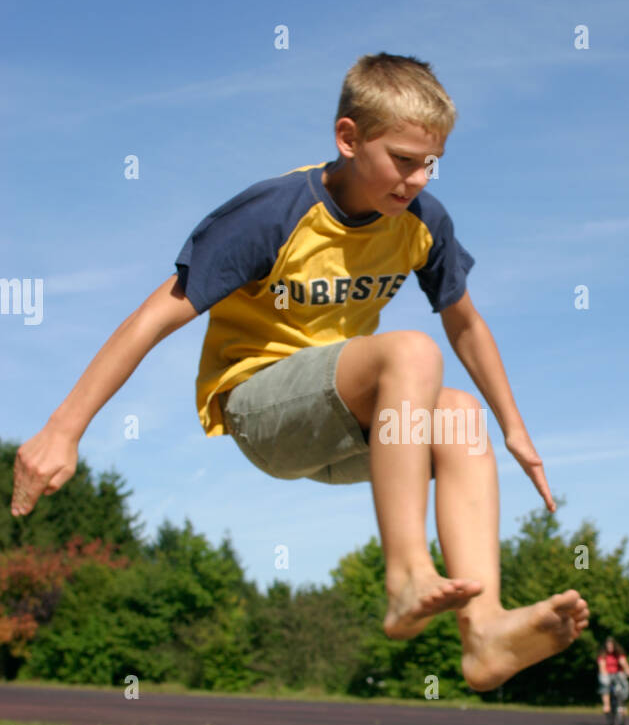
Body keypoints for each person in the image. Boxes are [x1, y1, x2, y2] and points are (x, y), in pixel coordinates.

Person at [10, 53, 590, 692]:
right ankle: (405, 578)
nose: (417, 179)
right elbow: (154, 317)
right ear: (348, 138)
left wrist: (514, 429)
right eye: (402, 159)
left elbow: (467, 324)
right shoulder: (274, 214)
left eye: (431, 163)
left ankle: (483, 635)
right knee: (413, 354)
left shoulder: (424, 225)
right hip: (261, 406)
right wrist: (63, 428)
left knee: (458, 416)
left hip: (342, 425)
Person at [597, 636, 629, 721]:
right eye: (608, 646)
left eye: (611, 646)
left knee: (624, 684)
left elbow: (623, 663)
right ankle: (607, 705)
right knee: (605, 684)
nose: (609, 648)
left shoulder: (618, 654)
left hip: (617, 673)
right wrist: (604, 674)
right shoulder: (603, 655)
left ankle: (622, 704)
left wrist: (628, 670)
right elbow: (602, 666)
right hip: (607, 673)